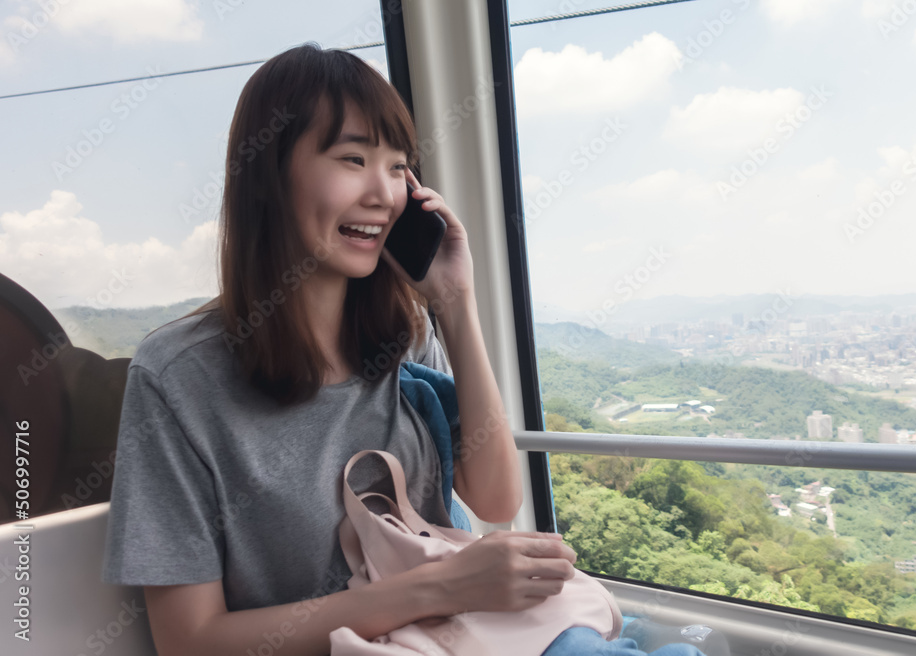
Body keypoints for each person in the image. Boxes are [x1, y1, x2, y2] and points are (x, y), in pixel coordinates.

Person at [101, 43, 704, 656]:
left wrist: (454, 305)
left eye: (398, 167)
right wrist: (435, 588)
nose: (385, 195)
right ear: (269, 176)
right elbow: (190, 641)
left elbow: (495, 498)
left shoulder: (403, 336)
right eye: (354, 158)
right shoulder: (179, 377)